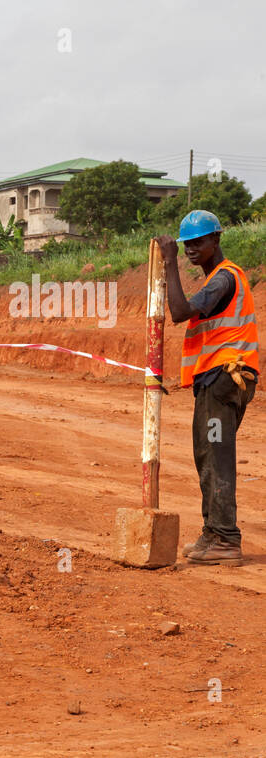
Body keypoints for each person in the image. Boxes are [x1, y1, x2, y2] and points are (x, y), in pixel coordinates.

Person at [157, 210, 259, 565]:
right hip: (216, 379)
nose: (190, 249)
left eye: (197, 242)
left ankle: (226, 539)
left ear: (216, 239)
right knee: (206, 454)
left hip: (225, 377)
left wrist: (169, 262)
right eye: (186, 244)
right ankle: (213, 534)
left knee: (216, 455)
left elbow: (179, 311)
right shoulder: (217, 279)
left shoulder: (223, 279)